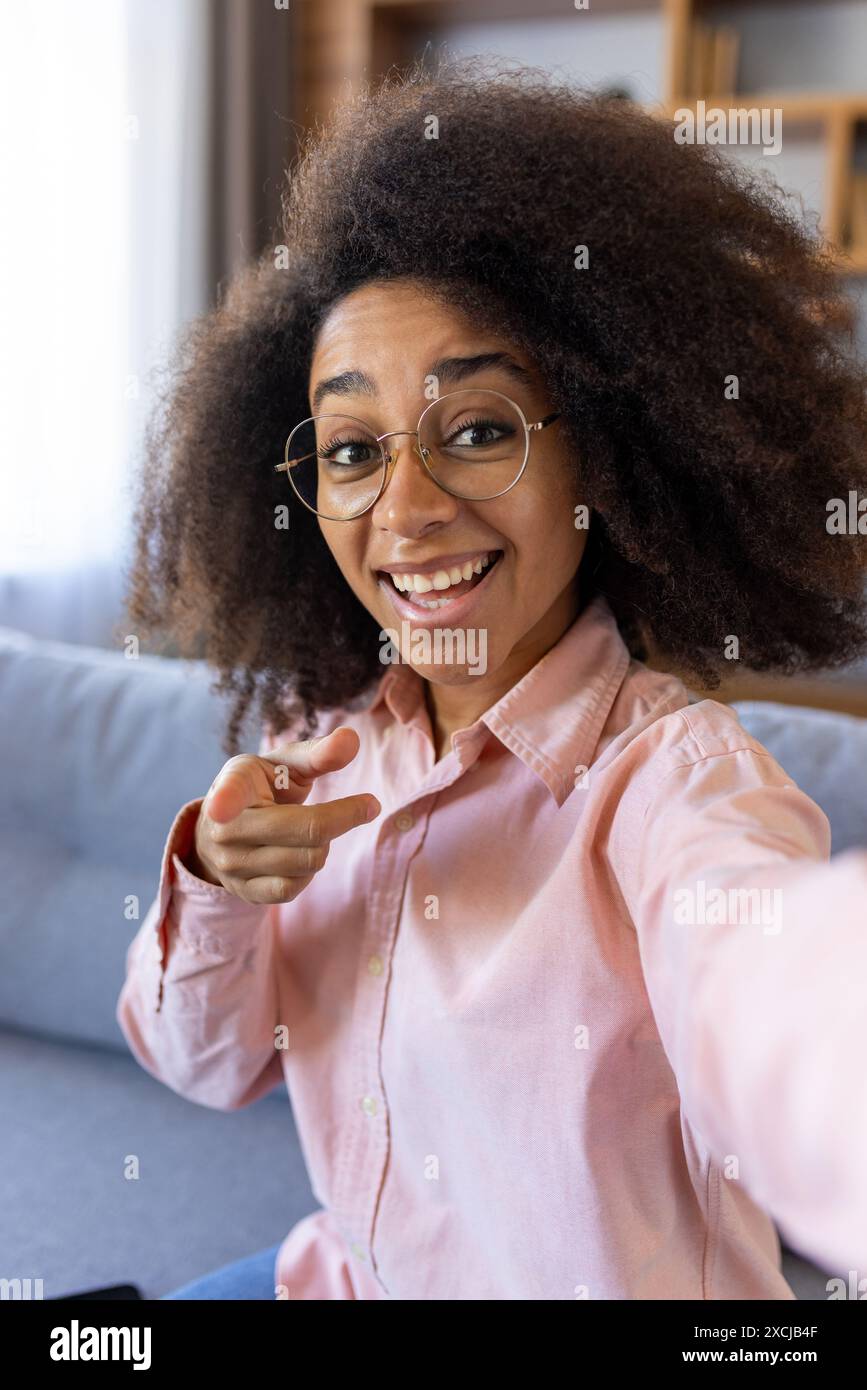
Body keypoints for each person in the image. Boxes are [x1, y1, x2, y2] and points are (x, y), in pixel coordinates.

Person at [117, 55, 867, 1300]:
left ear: (607, 461)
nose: (404, 510)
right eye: (353, 448)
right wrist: (221, 886)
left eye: (476, 429)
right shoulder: (325, 758)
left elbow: (766, 977)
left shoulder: (670, 787)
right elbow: (204, 1067)